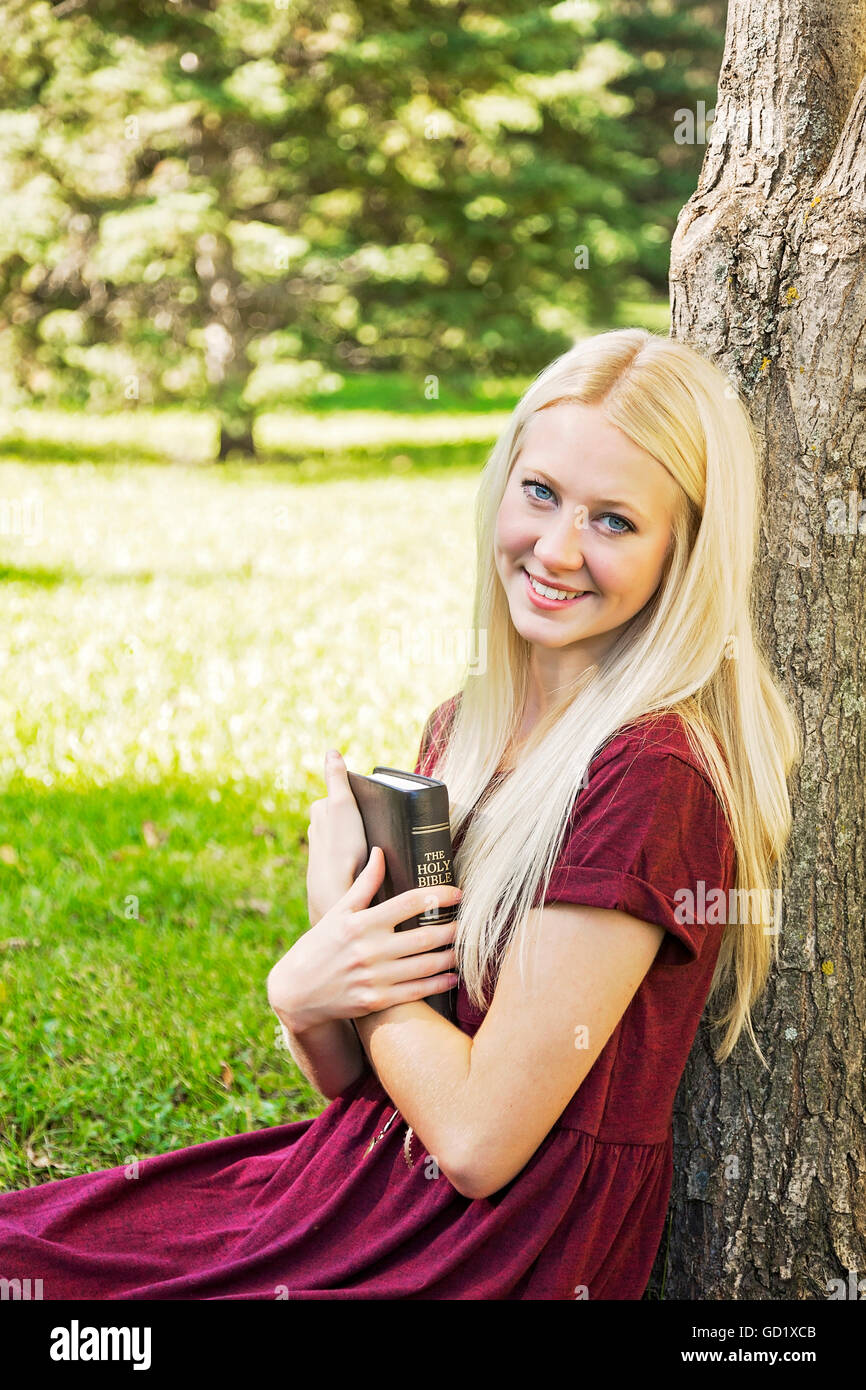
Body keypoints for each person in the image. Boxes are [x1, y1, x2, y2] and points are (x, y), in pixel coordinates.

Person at [0, 328, 800, 1300]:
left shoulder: (649, 773)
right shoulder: (464, 731)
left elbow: (472, 1140)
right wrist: (309, 988)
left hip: (485, 1255)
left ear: (682, 551)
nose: (554, 549)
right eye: (538, 492)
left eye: (612, 521)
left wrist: (358, 980)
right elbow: (370, 1085)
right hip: (353, 1186)